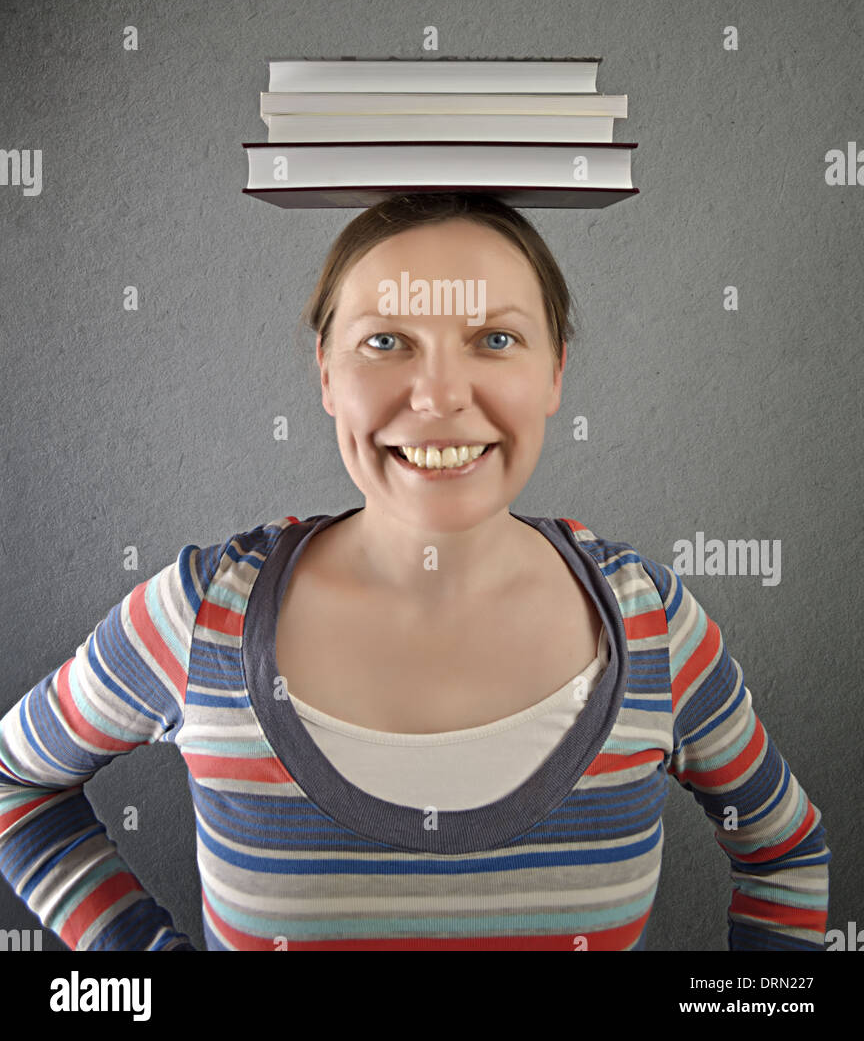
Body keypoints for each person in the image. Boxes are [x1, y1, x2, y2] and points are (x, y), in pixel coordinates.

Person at [0, 191, 830, 951]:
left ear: (555, 373)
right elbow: (14, 787)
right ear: (326, 372)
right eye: (386, 341)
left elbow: (786, 854)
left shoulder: (653, 627)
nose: (438, 395)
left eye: (495, 339)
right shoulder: (201, 618)